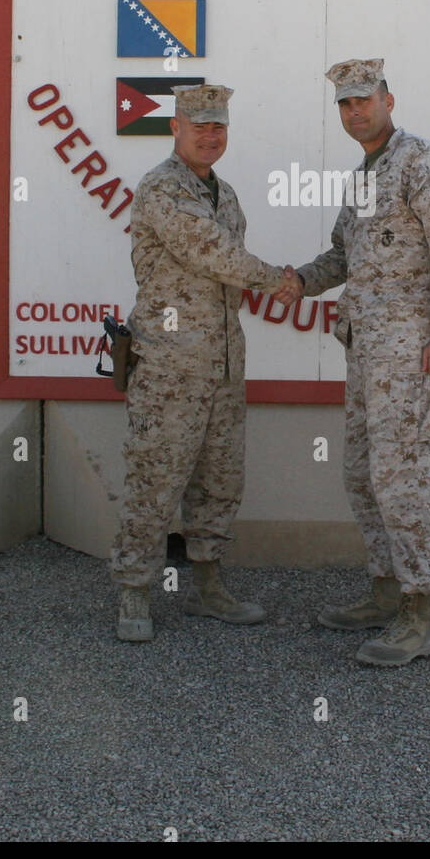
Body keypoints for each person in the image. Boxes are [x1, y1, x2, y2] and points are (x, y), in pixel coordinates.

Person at [285, 59, 430, 667]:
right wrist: (294, 281)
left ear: (389, 99)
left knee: (401, 477)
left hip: (409, 349)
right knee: (362, 471)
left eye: (365, 100)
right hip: (367, 348)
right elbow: (344, 254)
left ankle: (418, 612)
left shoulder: (418, 160)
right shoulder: (366, 174)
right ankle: (383, 591)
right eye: (345, 104)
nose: (356, 112)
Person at [110, 83, 301, 641]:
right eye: (199, 125)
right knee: (155, 478)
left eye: (219, 126)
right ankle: (134, 592)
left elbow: (226, 264)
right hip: (170, 366)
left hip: (221, 364)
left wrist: (276, 281)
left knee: (220, 480)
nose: (210, 135)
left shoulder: (227, 194)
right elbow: (212, 253)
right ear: (175, 128)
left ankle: (209, 588)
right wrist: (280, 280)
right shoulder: (161, 190)